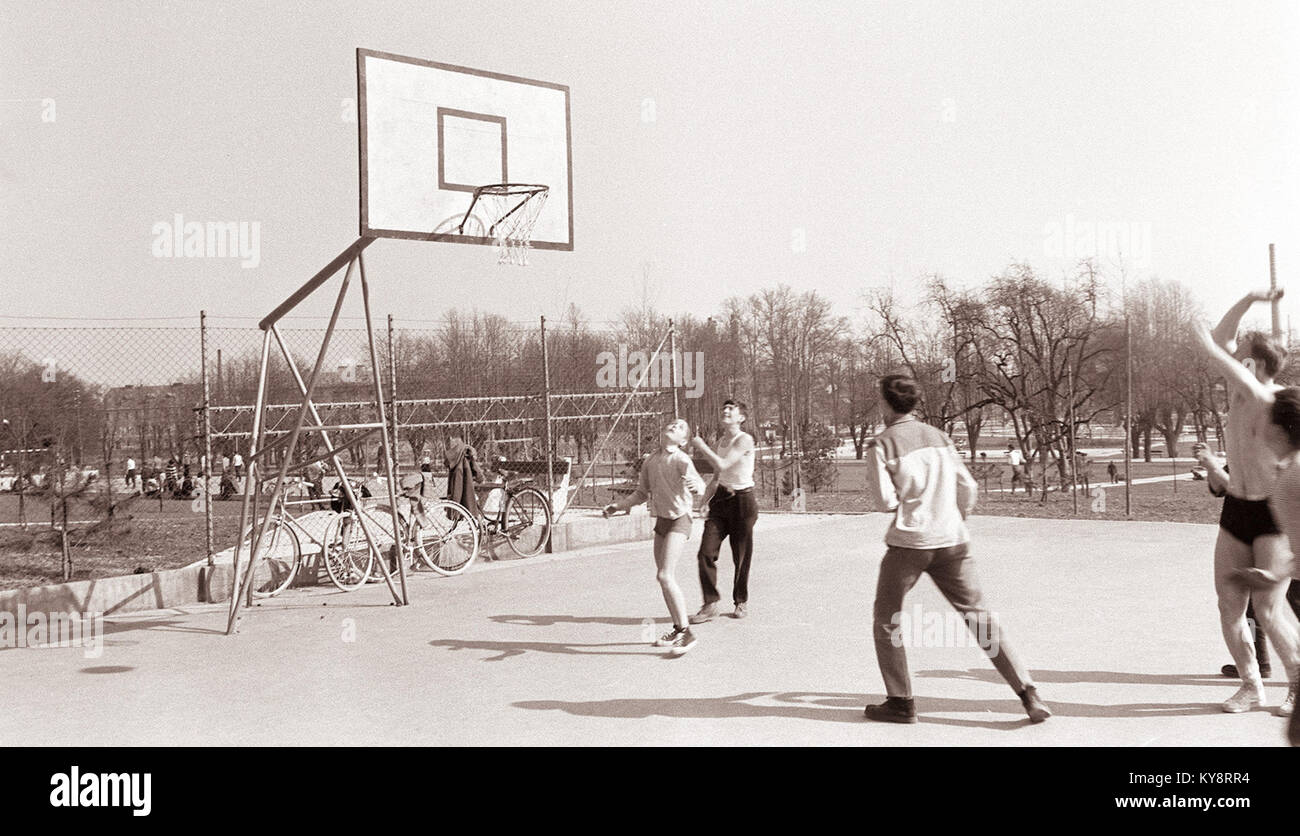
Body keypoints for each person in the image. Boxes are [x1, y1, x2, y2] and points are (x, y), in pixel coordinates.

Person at [864, 375, 1051, 724]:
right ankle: (1028, 692)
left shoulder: (881, 444)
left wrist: (909, 501)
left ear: (887, 404)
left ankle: (901, 701)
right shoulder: (940, 436)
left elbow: (884, 501)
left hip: (910, 542)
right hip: (953, 539)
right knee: (979, 616)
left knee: (886, 619)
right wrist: (954, 516)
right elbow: (968, 485)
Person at [1188, 292, 1300, 714]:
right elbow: (1223, 337)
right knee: (1228, 603)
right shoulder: (1239, 395)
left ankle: (1297, 685)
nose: (1235, 360)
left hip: (1274, 513)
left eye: (1242, 357)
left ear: (1253, 364)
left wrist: (1204, 344)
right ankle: (1251, 685)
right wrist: (1249, 298)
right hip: (1236, 508)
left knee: (1269, 610)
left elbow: (1216, 346)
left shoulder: (1270, 398)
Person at [603, 418, 706, 656]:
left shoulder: (681, 459)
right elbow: (640, 493)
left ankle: (687, 633)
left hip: (680, 520)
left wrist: (696, 486)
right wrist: (618, 506)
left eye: (680, 427)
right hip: (661, 522)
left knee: (665, 574)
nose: (674, 426)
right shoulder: (650, 460)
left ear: (683, 440)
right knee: (663, 579)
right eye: (672, 423)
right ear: (662, 431)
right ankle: (678, 628)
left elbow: (699, 485)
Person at [689, 399, 758, 623]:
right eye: (724, 407)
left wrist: (700, 446)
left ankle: (740, 601)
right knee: (705, 553)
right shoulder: (721, 441)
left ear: (742, 417)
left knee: (741, 555)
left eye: (731, 409)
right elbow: (718, 476)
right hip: (721, 500)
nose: (725, 410)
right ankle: (710, 604)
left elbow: (723, 465)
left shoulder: (745, 439)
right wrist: (705, 499)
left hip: (743, 501)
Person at [1260, 388, 1300, 745]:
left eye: (1268, 421)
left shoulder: (1293, 476)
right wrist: (1278, 574)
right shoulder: (1289, 471)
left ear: (1280, 430)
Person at [444, 430, 482, 518]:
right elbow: (477, 472)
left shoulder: (455, 456)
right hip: (467, 485)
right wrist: (480, 478)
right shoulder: (465, 453)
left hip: (456, 492)